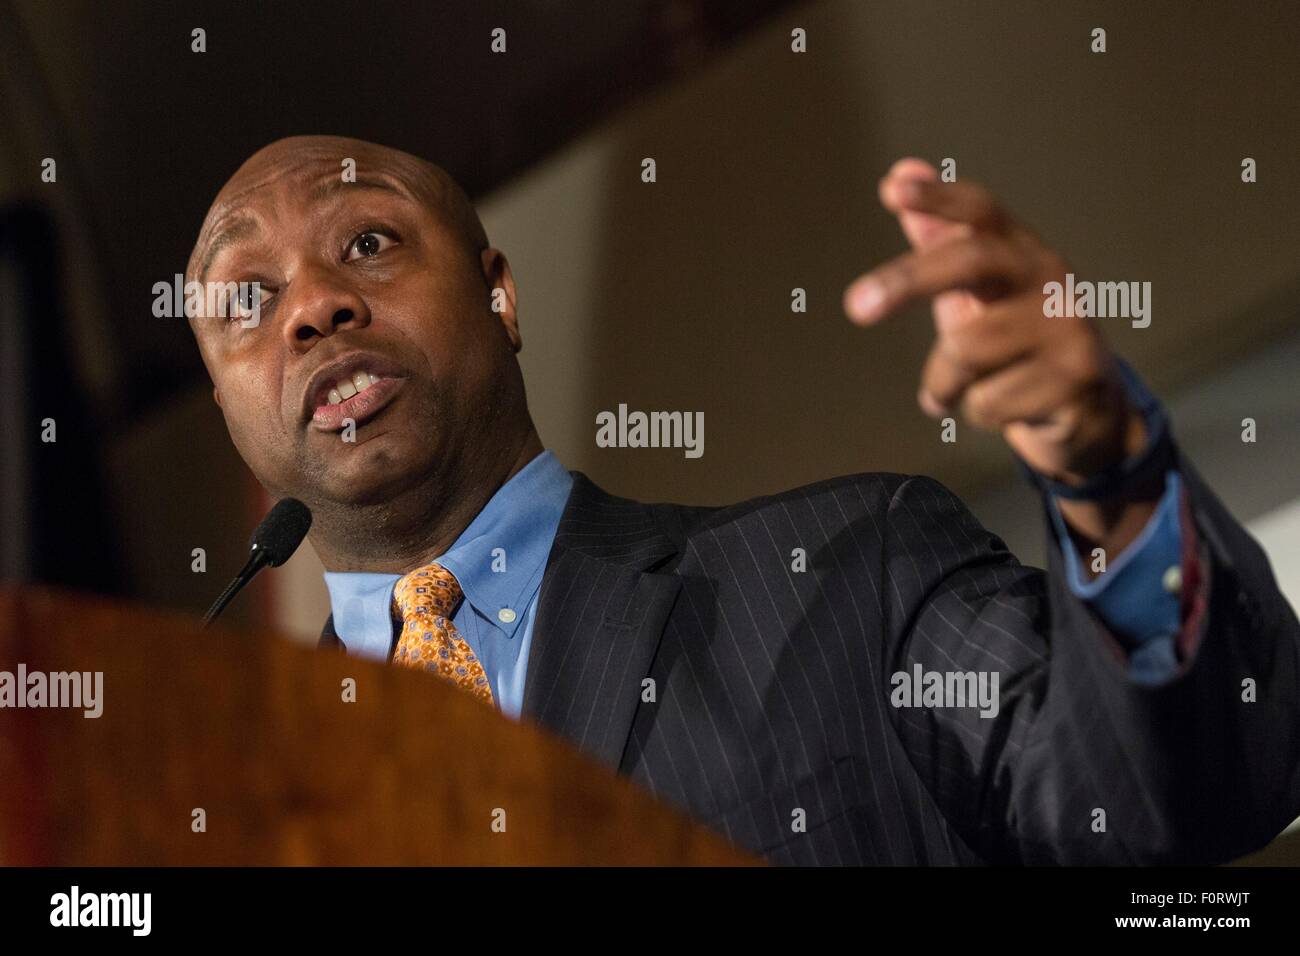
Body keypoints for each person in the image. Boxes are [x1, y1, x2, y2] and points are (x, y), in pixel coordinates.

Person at [185, 135, 1299, 865]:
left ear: (499, 292)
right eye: (249, 295)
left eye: (368, 243)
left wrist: (1111, 474)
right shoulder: (221, 806)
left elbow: (1196, 795)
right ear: (225, 401)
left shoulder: (852, 570)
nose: (317, 306)